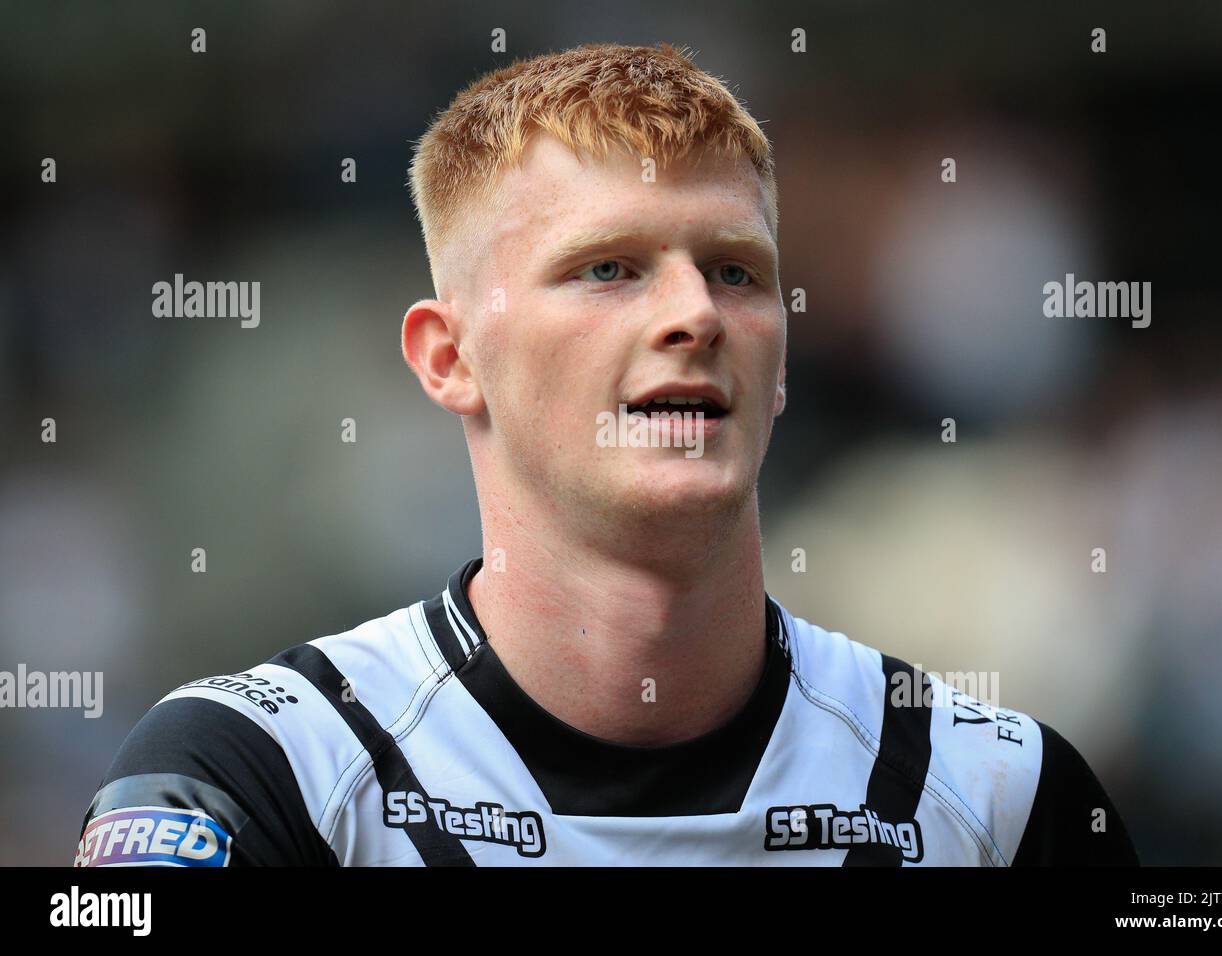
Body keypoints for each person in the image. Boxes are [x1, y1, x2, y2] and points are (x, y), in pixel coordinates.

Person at [74, 42, 1137, 866]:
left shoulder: (1000, 793)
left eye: (734, 271)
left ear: (781, 356)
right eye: (607, 268)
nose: (693, 314)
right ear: (449, 357)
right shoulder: (261, 774)